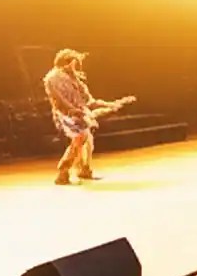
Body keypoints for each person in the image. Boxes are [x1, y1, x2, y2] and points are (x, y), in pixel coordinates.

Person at [42, 49, 132, 186]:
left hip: (77, 112)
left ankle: (84, 170)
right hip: (66, 114)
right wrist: (74, 111)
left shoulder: (74, 79)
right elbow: (59, 100)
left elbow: (89, 101)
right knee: (81, 137)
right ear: (68, 62)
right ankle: (63, 172)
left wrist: (111, 104)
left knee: (87, 139)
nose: (77, 66)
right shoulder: (53, 78)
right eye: (75, 63)